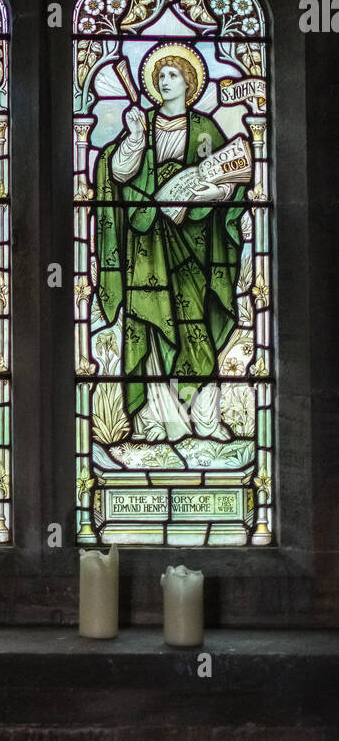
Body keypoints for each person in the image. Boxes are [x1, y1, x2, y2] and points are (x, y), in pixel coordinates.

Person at [94, 43, 246, 442]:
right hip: (149, 245)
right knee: (150, 323)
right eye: (160, 76)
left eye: (173, 75)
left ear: (190, 83)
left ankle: (206, 421)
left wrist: (204, 193)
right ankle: (154, 422)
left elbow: (231, 184)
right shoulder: (141, 123)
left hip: (197, 245)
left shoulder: (206, 129)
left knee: (198, 326)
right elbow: (119, 174)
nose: (165, 81)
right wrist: (134, 137)